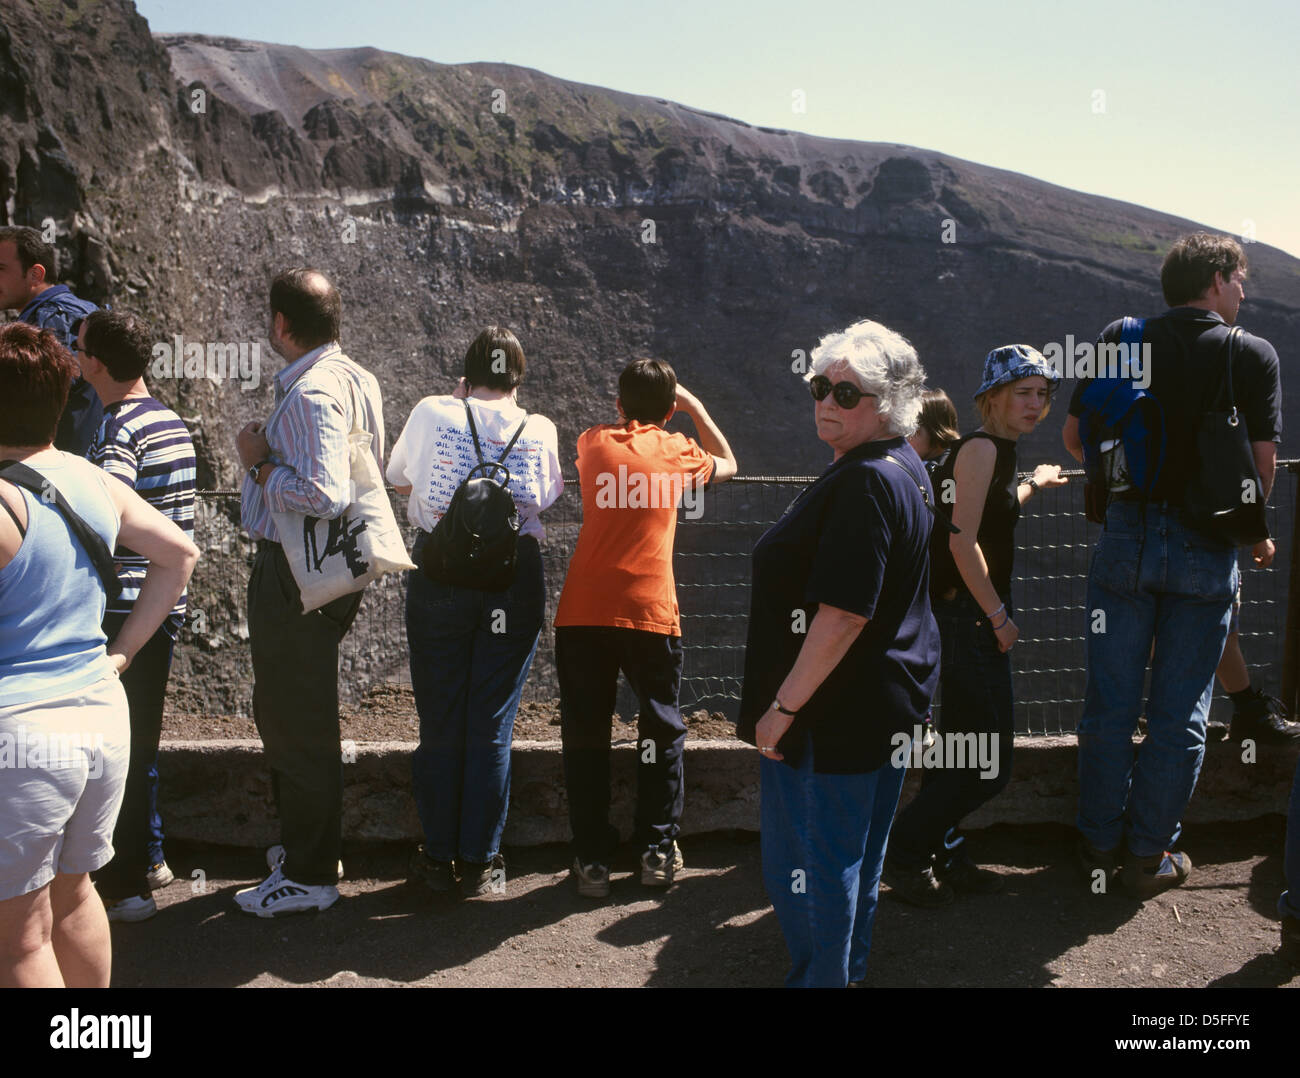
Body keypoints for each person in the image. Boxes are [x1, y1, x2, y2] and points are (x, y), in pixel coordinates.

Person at [1064, 233, 1282, 899]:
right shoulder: (1251, 354)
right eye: (1240, 281)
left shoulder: (1121, 335)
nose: (1244, 293)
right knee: (1181, 712)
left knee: (1110, 704)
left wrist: (1130, 488)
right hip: (1206, 549)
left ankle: (1097, 844)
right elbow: (1262, 471)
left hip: (1125, 538)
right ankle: (1147, 854)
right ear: (1215, 280)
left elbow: (1076, 438)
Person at [736, 319, 939, 988]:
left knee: (810, 871)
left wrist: (782, 709)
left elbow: (845, 613)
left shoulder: (863, 483)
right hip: (881, 705)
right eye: (820, 386)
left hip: (830, 716)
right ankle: (842, 977)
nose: (827, 400)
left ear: (891, 400)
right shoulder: (905, 466)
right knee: (855, 861)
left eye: (847, 392)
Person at [0, 322, 198, 987]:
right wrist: (121, 655)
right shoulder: (92, 480)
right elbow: (181, 555)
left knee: (20, 944)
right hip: (100, 716)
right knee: (75, 894)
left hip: (21, 734)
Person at [885, 345, 1065, 907]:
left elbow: (990, 509)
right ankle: (907, 852)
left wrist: (1036, 482)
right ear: (991, 399)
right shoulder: (984, 449)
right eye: (1023, 393)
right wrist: (998, 617)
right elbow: (963, 541)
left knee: (961, 748)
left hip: (962, 610)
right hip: (970, 613)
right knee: (989, 765)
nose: (1036, 404)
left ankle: (944, 852)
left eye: (1043, 394)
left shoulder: (993, 451)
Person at [387, 326, 562, 897]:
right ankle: (482, 863)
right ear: (519, 376)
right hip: (510, 583)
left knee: (440, 716)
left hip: (441, 575)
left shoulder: (435, 411)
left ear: (466, 375)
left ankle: (438, 860)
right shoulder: (539, 428)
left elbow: (398, 477)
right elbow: (546, 496)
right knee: (491, 720)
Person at [233, 268, 385, 917]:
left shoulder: (315, 393)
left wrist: (259, 462)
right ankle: (307, 844)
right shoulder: (355, 377)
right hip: (329, 570)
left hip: (295, 572)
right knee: (299, 711)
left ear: (281, 325)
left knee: (295, 719)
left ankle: (311, 872)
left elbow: (326, 493)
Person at [556, 359, 736, 897]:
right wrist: (695, 408)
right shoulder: (680, 452)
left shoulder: (591, 442)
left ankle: (591, 858)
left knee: (585, 731)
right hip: (650, 612)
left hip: (584, 610)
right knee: (659, 728)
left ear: (618, 404)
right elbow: (729, 461)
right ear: (671, 409)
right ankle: (656, 849)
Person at [76, 310, 197, 923]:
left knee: (112, 744)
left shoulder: (118, 427)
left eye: (79, 350)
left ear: (96, 361)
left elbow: (108, 511)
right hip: (163, 603)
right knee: (140, 737)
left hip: (124, 605)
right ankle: (148, 858)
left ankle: (124, 889)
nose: (73, 358)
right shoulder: (170, 419)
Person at [0, 226, 102, 454]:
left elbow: (37, 397)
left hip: (53, 471)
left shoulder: (55, 319)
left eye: (1, 268)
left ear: (35, 274)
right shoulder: (80, 311)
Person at [907, 388, 960, 751]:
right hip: (944, 583)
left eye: (912, 428)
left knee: (920, 656)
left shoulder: (924, 471)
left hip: (928, 583)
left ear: (933, 428)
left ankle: (918, 726)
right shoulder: (962, 463)